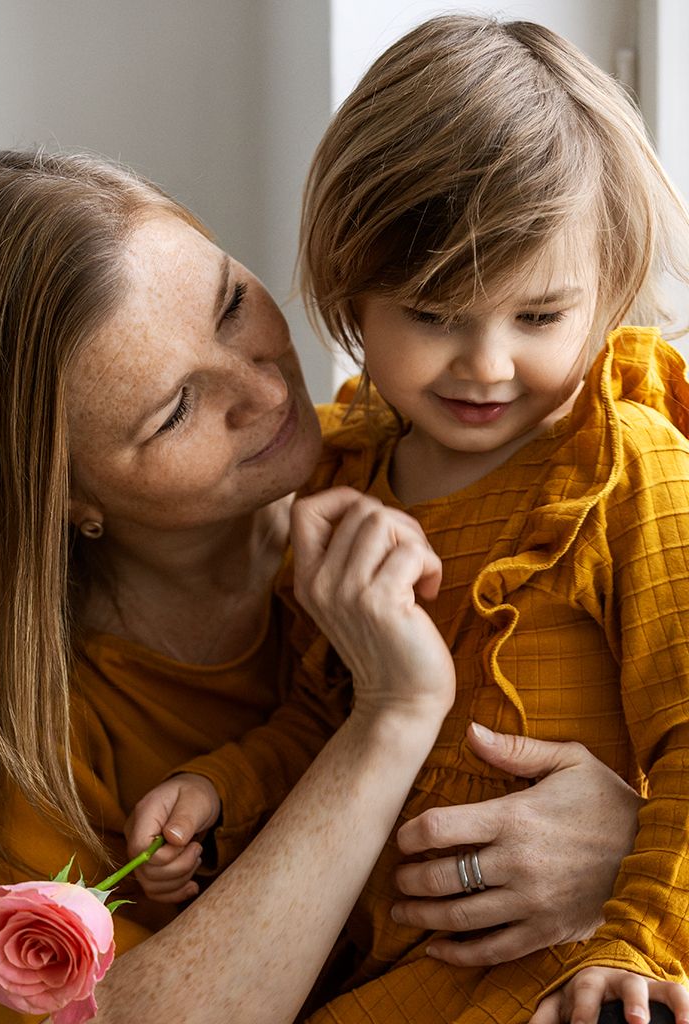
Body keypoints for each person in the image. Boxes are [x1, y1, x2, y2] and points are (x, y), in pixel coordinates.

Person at [0, 146, 644, 1024]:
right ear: (65, 496)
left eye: (230, 304)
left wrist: (630, 843)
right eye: (177, 408)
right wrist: (392, 712)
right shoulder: (22, 735)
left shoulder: (425, 452)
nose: (264, 389)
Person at [128, 14, 689, 1024]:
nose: (486, 364)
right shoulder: (350, 479)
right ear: (352, 293)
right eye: (433, 316)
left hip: (568, 965)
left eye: (538, 316)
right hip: (393, 978)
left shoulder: (627, 471)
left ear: (606, 290)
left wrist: (637, 936)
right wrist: (222, 793)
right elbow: (326, 716)